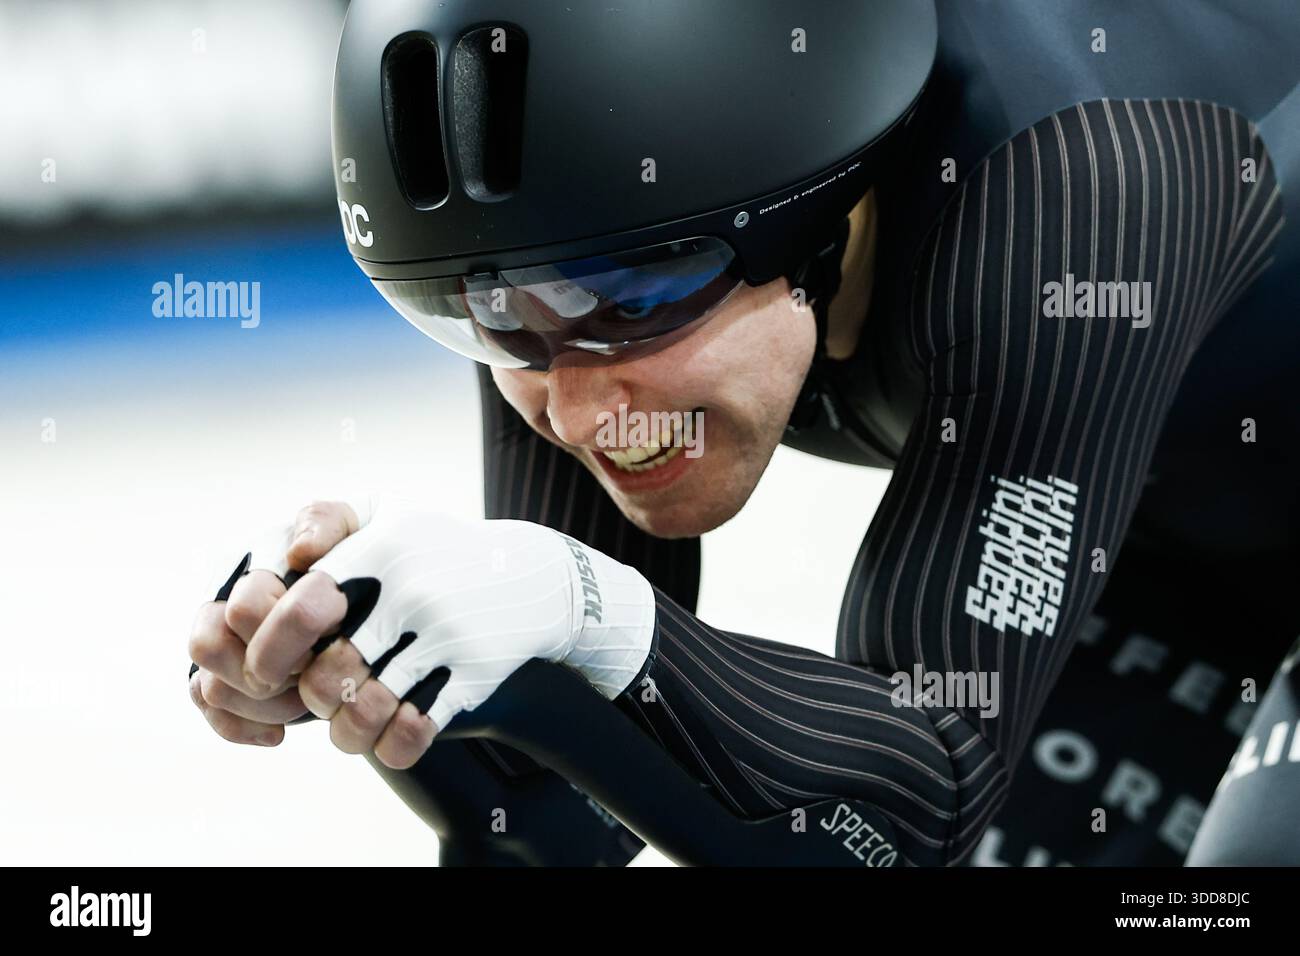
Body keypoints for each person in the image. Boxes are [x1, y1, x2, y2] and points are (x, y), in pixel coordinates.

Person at [188, 0, 1300, 866]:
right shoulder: (569, 263)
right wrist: (381, 660)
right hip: (1165, 520)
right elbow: (563, 823)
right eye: (480, 315)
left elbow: (922, 802)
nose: (577, 410)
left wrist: (591, 610)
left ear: (823, 212)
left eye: (629, 297)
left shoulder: (1081, 190)